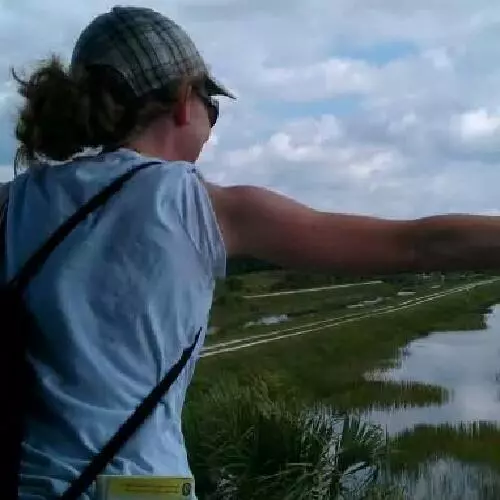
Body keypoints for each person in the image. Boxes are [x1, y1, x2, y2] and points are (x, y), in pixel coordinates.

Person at [7, 5, 500, 500]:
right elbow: (416, 245)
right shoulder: (199, 206)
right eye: (211, 104)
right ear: (184, 100)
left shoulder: (13, 203)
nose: (212, 120)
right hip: (141, 487)